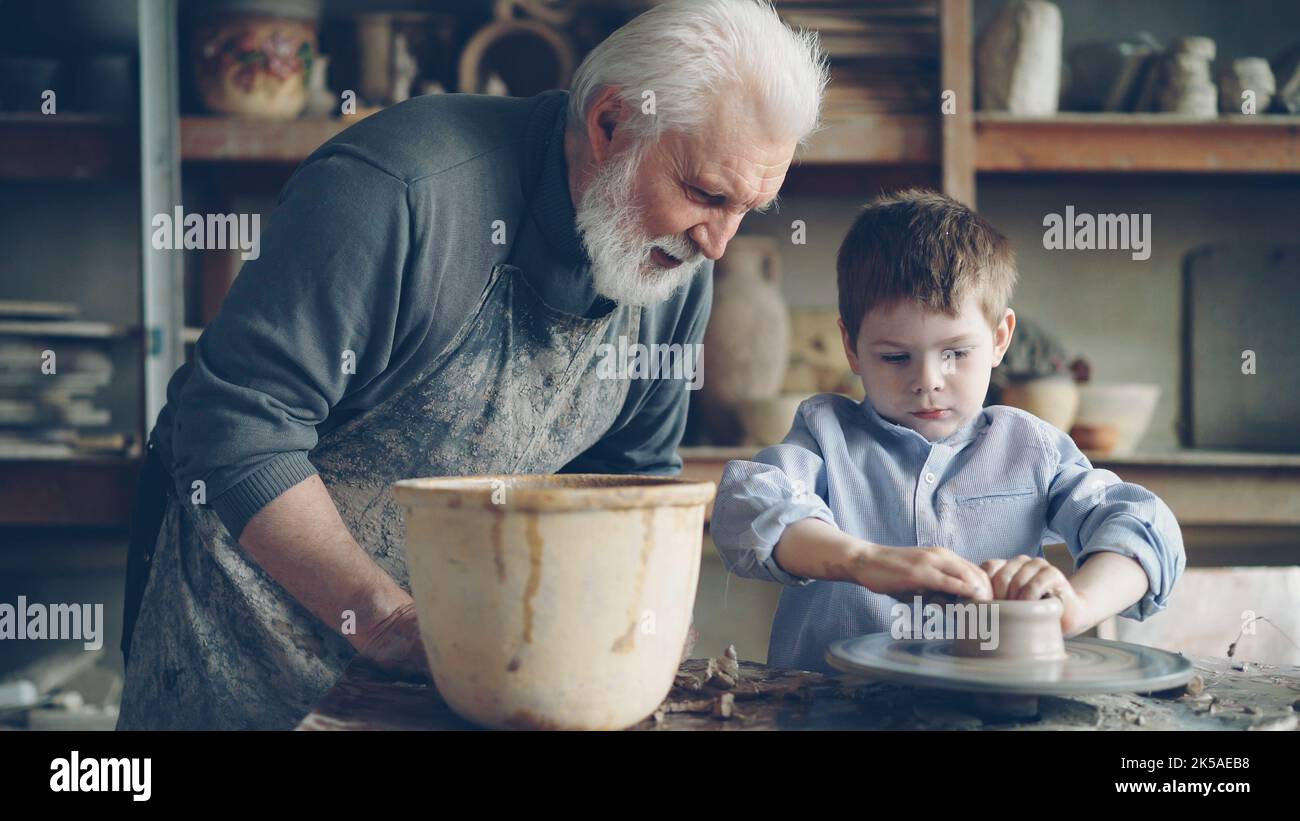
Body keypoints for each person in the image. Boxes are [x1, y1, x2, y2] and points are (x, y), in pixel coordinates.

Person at [117, 0, 829, 729]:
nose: (718, 244)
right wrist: (390, 622)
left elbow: (630, 474)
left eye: (750, 208)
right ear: (610, 123)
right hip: (248, 661)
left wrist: (622, 630)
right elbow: (235, 429)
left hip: (454, 671)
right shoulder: (395, 193)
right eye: (706, 194)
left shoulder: (680, 263)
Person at [710, 189, 1185, 674]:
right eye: (895, 357)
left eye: (956, 353)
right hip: (829, 710)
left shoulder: (1032, 448)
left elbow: (1144, 525)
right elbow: (748, 507)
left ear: (1000, 339)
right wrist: (862, 561)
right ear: (851, 347)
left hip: (985, 712)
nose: (927, 381)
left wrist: (1076, 603)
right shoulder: (825, 434)